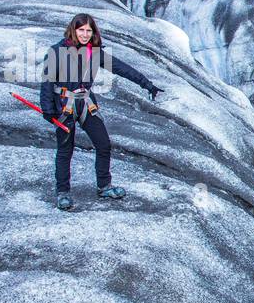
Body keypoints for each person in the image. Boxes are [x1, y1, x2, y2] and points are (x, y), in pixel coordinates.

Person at [39, 14, 163, 210]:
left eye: (89, 31)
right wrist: (48, 110)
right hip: (65, 106)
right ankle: (63, 193)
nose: (85, 34)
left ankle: (104, 186)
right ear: (73, 30)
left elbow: (122, 68)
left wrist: (147, 84)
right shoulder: (56, 52)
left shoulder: (95, 53)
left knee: (103, 144)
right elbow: (47, 82)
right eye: (81, 30)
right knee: (65, 150)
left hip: (86, 104)